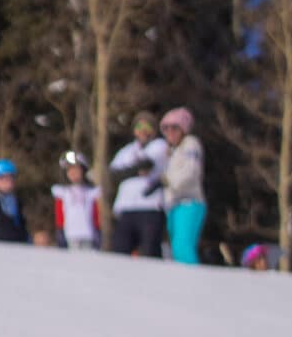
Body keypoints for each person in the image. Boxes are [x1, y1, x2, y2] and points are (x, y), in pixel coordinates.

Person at [109, 113, 167, 258]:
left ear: (153, 130)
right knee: (119, 251)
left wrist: (127, 171)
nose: (143, 130)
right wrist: (135, 170)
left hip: (150, 207)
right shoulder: (127, 150)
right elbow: (113, 174)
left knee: (149, 252)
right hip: (125, 207)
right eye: (139, 126)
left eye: (147, 126)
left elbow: (146, 164)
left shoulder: (159, 145)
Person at [157, 107, 206, 265]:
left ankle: (192, 277)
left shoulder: (190, 144)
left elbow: (191, 171)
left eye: (174, 127)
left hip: (189, 202)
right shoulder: (172, 151)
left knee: (183, 247)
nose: (170, 132)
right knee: (176, 250)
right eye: (166, 128)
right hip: (174, 205)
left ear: (183, 129)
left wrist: (169, 181)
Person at [51, 151, 100, 250]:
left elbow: (96, 213)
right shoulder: (62, 192)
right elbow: (59, 214)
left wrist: (98, 230)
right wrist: (60, 230)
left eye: (76, 169)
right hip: (69, 235)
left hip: (88, 234)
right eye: (69, 169)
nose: (73, 172)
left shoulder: (91, 192)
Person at [0, 159, 30, 243]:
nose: (7, 181)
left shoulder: (18, 201)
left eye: (10, 178)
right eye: (2, 178)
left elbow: (22, 221)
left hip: (18, 241)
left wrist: (27, 236)